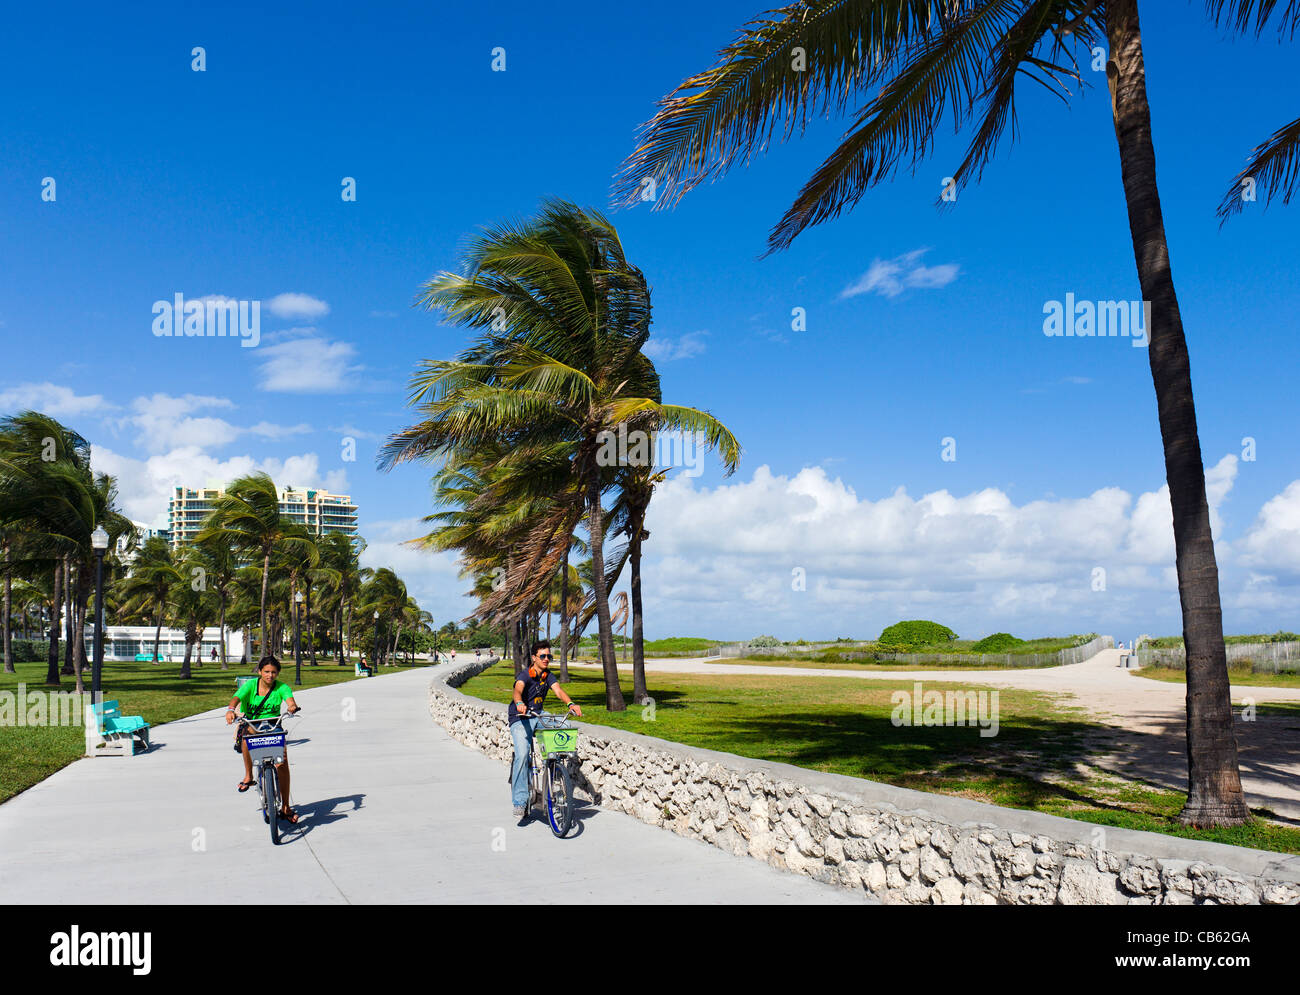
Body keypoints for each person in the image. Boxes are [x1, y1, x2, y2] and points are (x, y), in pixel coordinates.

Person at [509, 639, 581, 824]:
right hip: (520, 717)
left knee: (563, 727)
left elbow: (558, 691)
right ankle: (519, 801)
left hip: (539, 714)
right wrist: (519, 703)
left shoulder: (548, 676)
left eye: (549, 655)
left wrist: (571, 704)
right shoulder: (525, 675)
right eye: (543, 656)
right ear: (534, 658)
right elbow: (517, 691)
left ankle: (554, 768)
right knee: (523, 755)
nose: (547, 659)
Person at [227, 655, 301, 824]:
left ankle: (286, 807)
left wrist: (291, 706)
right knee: (246, 739)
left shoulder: (282, 687)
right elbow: (236, 698)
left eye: (274, 672)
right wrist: (231, 710)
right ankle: (248, 776)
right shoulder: (250, 685)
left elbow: (290, 701)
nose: (270, 675)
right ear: (260, 671)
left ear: (278, 673)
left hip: (274, 724)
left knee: (282, 763)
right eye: (266, 671)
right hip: (252, 722)